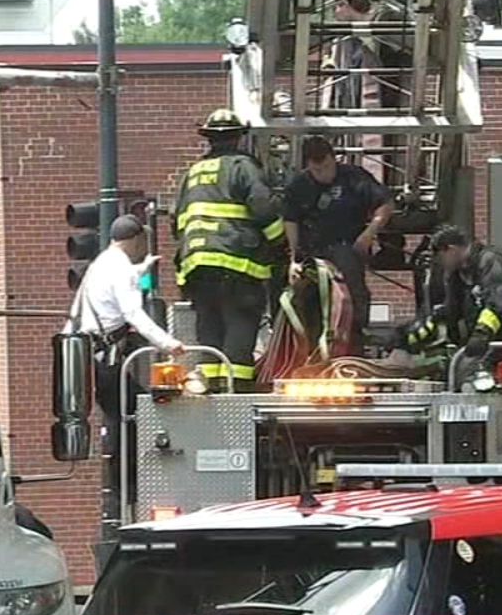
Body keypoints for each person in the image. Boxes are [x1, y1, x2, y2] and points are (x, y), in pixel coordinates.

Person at [173, 108, 286, 390]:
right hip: (236, 263)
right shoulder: (242, 166)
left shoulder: (192, 173)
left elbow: (177, 221)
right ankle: (238, 390)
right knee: (240, 325)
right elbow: (263, 207)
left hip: (196, 267)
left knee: (210, 329)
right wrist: (281, 243)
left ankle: (211, 386)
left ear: (210, 139)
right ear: (238, 138)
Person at [63, 214, 183, 465]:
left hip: (85, 354)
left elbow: (114, 286)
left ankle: (119, 471)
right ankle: (124, 473)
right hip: (104, 358)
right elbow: (133, 314)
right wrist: (167, 343)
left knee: (122, 410)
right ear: (136, 239)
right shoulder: (122, 269)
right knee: (132, 411)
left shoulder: (102, 263)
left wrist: (142, 269)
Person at [391, 223, 502, 383]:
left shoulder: (491, 261)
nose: (439, 262)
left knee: (497, 386)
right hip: (489, 353)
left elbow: (499, 303)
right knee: (458, 378)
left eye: (439, 256)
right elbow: (452, 311)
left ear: (451, 249)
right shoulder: (458, 275)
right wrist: (420, 331)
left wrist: (481, 333)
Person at [282, 135, 393, 345]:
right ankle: (314, 349)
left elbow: (385, 204)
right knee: (309, 303)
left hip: (347, 248)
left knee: (352, 297)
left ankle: (354, 341)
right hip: (313, 254)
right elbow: (290, 221)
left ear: (334, 159)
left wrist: (369, 234)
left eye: (326, 167)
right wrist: (293, 259)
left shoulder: (354, 177)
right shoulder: (299, 186)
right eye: (316, 170)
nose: (322, 174)